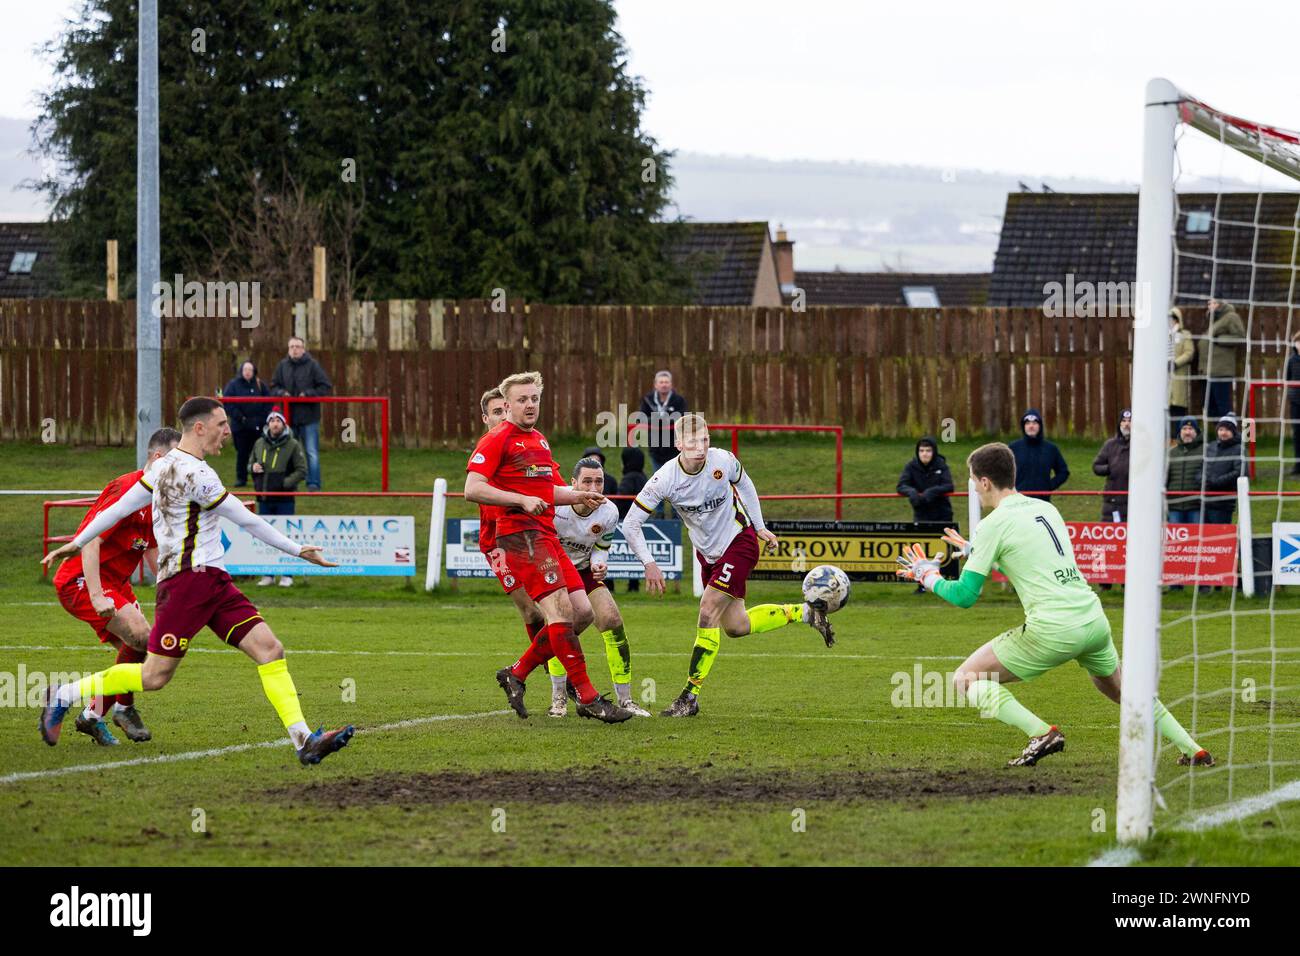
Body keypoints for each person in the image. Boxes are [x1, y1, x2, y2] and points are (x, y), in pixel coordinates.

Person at [39, 397, 354, 765]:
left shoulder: (169, 468)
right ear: (199, 427)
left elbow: (116, 511)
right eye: (222, 425)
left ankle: (303, 740)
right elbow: (245, 520)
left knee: (270, 649)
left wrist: (78, 540)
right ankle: (64, 695)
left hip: (215, 582)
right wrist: (298, 550)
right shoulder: (195, 473)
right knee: (155, 676)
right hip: (188, 585)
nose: (228, 432)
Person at [895, 442, 1213, 768]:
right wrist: (978, 551)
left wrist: (927, 576)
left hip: (1053, 629)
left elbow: (964, 596)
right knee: (1123, 691)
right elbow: (1033, 562)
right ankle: (1194, 750)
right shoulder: (1045, 508)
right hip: (1092, 620)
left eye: (974, 481)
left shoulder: (992, 523)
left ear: (985, 482)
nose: (974, 488)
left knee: (966, 679)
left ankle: (1041, 733)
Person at [621, 413, 835, 717]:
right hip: (709, 555)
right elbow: (630, 524)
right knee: (736, 626)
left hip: (740, 542)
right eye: (694, 441)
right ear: (678, 443)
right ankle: (805, 613)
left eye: (706, 439)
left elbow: (745, 485)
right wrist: (649, 563)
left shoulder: (723, 461)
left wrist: (759, 527)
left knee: (707, 610)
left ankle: (689, 697)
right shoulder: (666, 479)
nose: (702, 447)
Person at [465, 371, 631, 723]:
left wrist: (578, 495)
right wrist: (520, 500)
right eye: (522, 400)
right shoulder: (497, 439)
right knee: (557, 613)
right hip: (520, 534)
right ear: (507, 404)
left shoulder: (539, 440)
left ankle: (518, 672)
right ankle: (587, 696)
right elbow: (472, 488)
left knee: (583, 613)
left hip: (545, 534)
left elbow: (548, 491)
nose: (529, 405)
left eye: (534, 399)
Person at [50, 427, 180, 746]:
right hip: (81, 578)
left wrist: (171, 589)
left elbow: (150, 548)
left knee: (140, 648)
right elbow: (91, 541)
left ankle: (93, 717)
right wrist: (96, 596)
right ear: (159, 458)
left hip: (116, 584)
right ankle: (120, 708)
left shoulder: (159, 498)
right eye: (180, 461)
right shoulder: (127, 488)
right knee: (140, 637)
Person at [548, 458, 652, 718]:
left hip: (583, 572)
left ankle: (625, 700)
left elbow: (601, 548)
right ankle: (559, 698)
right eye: (587, 481)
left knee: (612, 620)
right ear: (573, 483)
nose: (594, 487)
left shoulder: (609, 511)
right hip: (556, 572)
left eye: (599, 481)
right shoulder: (557, 507)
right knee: (560, 627)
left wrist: (599, 565)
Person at [252, 410, 308, 588]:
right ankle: (268, 575)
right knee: (265, 537)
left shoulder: (293, 444)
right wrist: (252, 467)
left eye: (278, 420)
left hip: (284, 499)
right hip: (264, 497)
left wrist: (285, 483)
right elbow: (249, 463)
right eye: (272, 421)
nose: (275, 424)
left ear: (284, 424)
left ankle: (287, 574)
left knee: (286, 537)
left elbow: (301, 470)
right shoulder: (259, 443)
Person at [270, 336, 332, 491]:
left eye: (298, 346)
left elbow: (325, 386)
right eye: (292, 347)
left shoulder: (312, 365)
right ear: (288, 349)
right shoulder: (283, 366)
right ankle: (291, 484)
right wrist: (281, 392)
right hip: (289, 418)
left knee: (311, 452)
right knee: (289, 452)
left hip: (309, 417)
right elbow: (273, 386)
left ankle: (313, 484)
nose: (295, 349)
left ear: (303, 349)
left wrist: (308, 394)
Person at [897, 436, 954, 594]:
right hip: (921, 514)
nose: (925, 454)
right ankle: (922, 584)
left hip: (942, 514)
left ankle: (947, 583)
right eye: (921, 450)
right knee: (921, 550)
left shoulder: (941, 465)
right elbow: (901, 485)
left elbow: (949, 485)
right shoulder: (911, 466)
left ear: (934, 451)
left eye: (928, 450)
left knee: (943, 549)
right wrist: (912, 493)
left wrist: (931, 492)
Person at [222, 359, 272, 487]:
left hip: (258, 426)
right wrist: (241, 418)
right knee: (242, 453)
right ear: (241, 371)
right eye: (245, 369)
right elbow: (227, 403)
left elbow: (269, 402)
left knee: (259, 453)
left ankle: (258, 478)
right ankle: (241, 478)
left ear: (254, 371)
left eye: (250, 370)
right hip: (241, 426)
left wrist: (262, 419)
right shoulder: (233, 384)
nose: (248, 372)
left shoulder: (260, 384)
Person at [1199, 298, 1246, 421]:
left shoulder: (1231, 317)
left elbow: (1240, 337)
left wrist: (1220, 339)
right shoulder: (1212, 320)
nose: (1210, 306)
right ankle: (1220, 436)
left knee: (1223, 407)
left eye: (1214, 303)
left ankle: (1231, 436)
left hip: (1221, 371)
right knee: (1209, 408)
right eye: (1208, 303)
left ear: (1221, 304)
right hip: (1207, 371)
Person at [1009, 409, 1069, 502]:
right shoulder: (1013, 448)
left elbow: (1063, 472)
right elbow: (1002, 472)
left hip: (1042, 501)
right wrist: (1011, 489)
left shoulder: (1051, 449)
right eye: (1027, 423)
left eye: (1034, 423)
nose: (1031, 426)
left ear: (1040, 426)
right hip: (1018, 500)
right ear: (1023, 426)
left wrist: (1049, 486)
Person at [639, 370, 688, 473]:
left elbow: (682, 417)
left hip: (675, 446)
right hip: (655, 447)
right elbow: (641, 418)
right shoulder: (648, 399)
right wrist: (663, 420)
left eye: (666, 382)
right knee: (658, 477)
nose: (664, 385)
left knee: (676, 477)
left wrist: (660, 420)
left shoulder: (679, 400)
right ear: (655, 385)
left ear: (671, 384)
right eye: (661, 382)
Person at [616, 446, 649, 593]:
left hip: (627, 520)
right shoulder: (643, 477)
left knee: (626, 552)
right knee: (636, 553)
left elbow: (621, 497)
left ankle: (631, 585)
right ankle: (634, 585)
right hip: (643, 519)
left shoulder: (629, 478)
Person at [1092, 410, 1131, 522]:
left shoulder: (1140, 446)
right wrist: (1110, 469)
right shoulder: (1110, 445)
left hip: (1133, 502)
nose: (1126, 424)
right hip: (1112, 503)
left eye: (1129, 421)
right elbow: (1096, 466)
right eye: (1123, 421)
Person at [1166, 417, 1204, 525]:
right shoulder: (1171, 453)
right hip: (1174, 506)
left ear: (1196, 431)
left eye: (1191, 429)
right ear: (1180, 431)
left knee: (1196, 539)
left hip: (1196, 506)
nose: (1187, 432)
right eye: (1184, 428)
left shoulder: (1206, 451)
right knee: (1175, 540)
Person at [1168, 308, 1195, 438]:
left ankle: (1178, 438)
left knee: (1177, 408)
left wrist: (1175, 363)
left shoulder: (1185, 335)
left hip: (1178, 376)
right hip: (1162, 378)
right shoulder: (1159, 334)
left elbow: (1189, 353)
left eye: (1171, 318)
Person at [1286, 331, 1300, 475]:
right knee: (1297, 432)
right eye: (1298, 342)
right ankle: (1298, 463)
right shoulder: (1291, 360)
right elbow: (1288, 379)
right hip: (1296, 401)